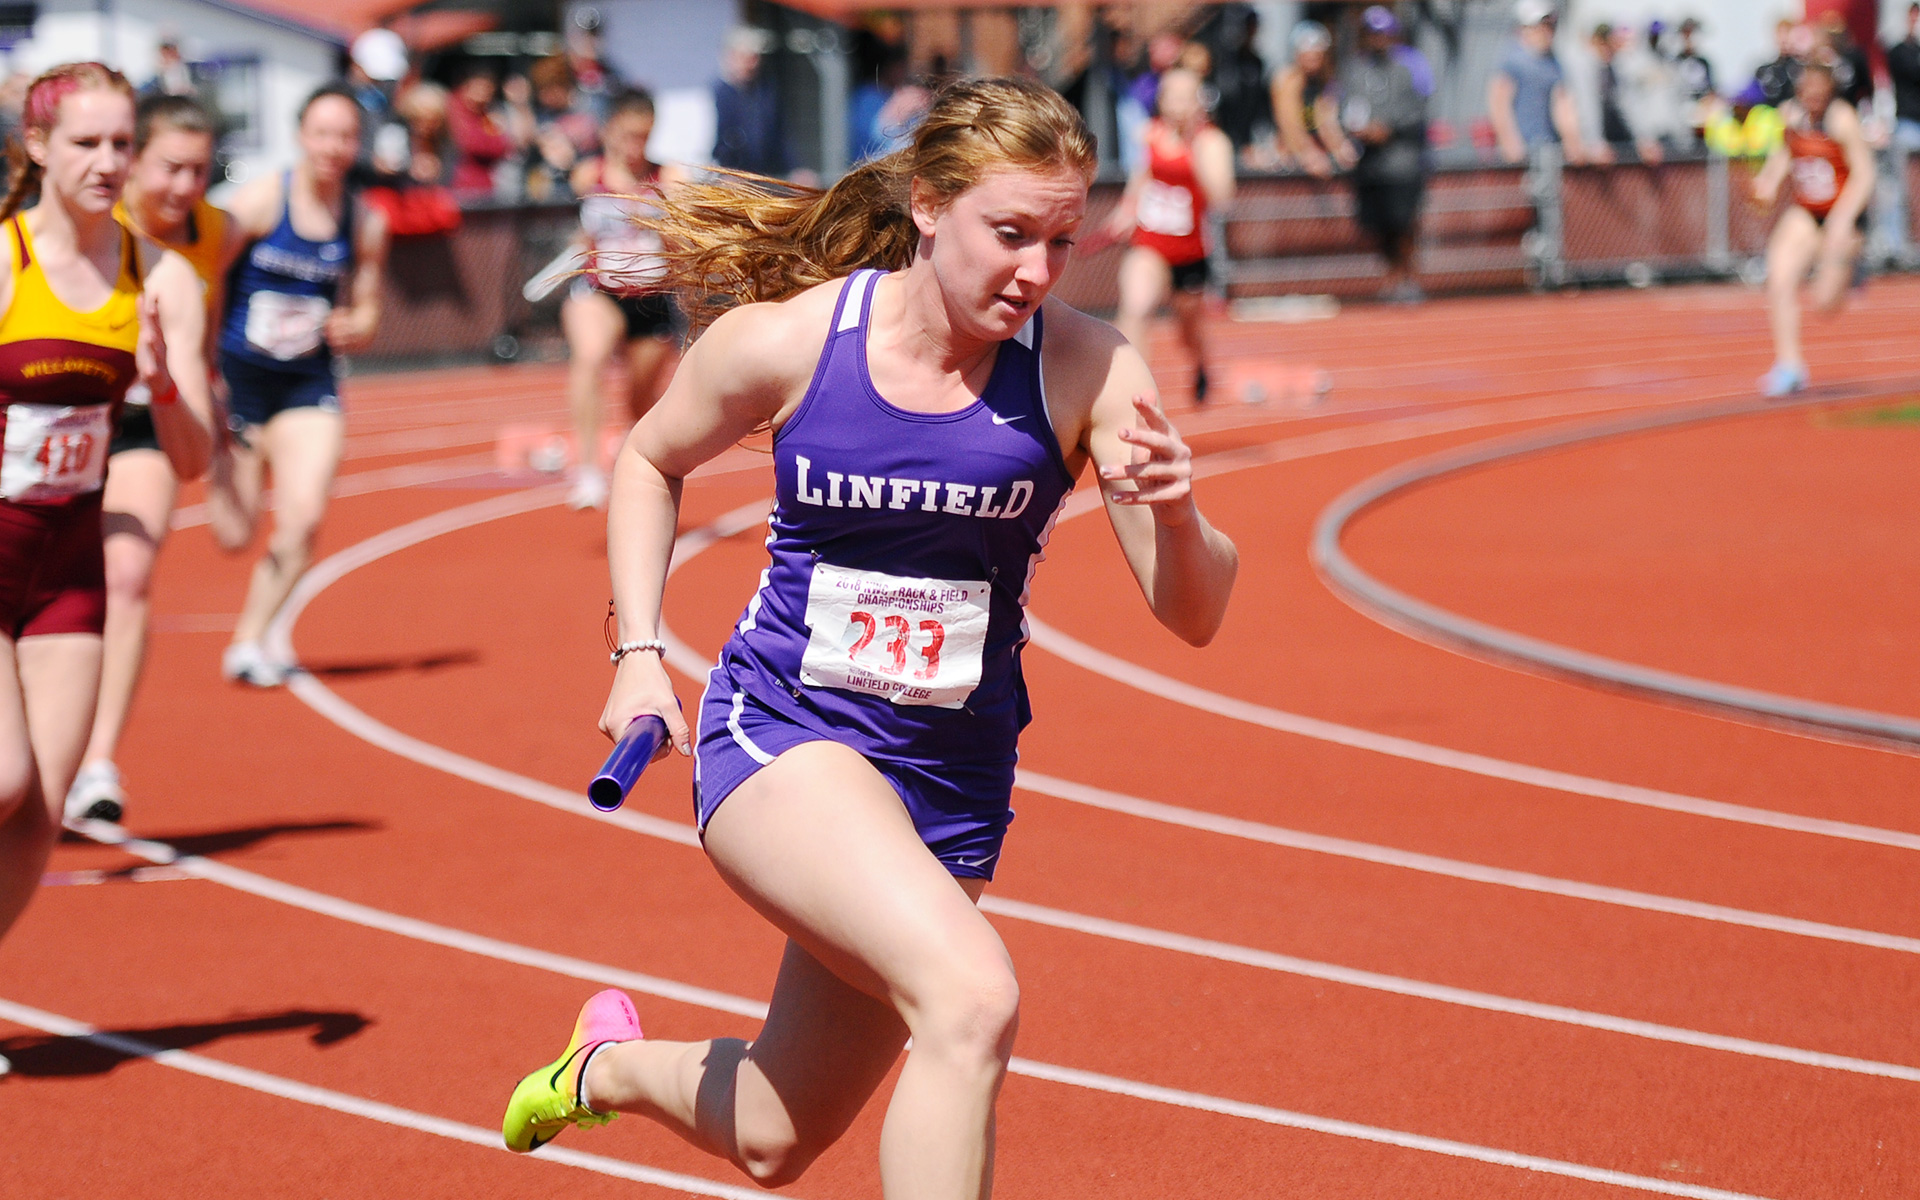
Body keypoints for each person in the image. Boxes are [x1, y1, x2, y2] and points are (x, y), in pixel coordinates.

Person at [499, 76, 1237, 1196]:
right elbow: (648, 458)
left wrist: (1179, 517)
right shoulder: (794, 341)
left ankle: (599, 1067)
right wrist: (638, 654)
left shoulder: (1086, 367)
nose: (1038, 272)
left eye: (1061, 240)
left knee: (772, 1138)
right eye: (1010, 234)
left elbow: (1194, 615)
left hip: (950, 776)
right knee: (971, 999)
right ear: (929, 207)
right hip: (786, 735)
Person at [0, 61, 215, 985]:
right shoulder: (5, 261)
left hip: (66, 569)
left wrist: (161, 384)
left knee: (39, 808)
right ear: (37, 146)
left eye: (122, 143)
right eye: (85, 142)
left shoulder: (161, 278)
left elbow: (194, 458)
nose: (107, 161)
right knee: (2, 779)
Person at [64, 93, 242, 824]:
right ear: (135, 161)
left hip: (146, 417)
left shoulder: (219, 231)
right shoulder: (91, 219)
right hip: (65, 411)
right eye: (171, 167)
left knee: (128, 573)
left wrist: (201, 392)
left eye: (200, 171)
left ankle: (96, 761)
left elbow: (215, 314)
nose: (185, 186)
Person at [206, 85, 390, 686]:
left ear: (357, 144)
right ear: (301, 136)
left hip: (307, 383)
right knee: (234, 534)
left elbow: (368, 308)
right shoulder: (259, 203)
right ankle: (224, 463)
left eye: (345, 136)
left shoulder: (365, 220)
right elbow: (206, 280)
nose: (333, 147)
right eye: (322, 133)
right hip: (240, 380)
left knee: (304, 517)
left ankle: (248, 640)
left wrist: (356, 325)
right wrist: (205, 366)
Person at [559, 89, 686, 512]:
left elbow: (683, 243)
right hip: (600, 292)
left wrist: (665, 224)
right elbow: (581, 232)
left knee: (640, 401)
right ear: (610, 130)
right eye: (629, 135)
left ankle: (633, 462)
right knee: (589, 356)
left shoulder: (669, 178)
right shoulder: (587, 175)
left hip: (651, 297)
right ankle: (588, 471)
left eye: (644, 136)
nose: (636, 146)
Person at [1104, 68, 1234, 403]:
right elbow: (1141, 179)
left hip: (1189, 252)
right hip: (1150, 244)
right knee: (1135, 308)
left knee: (1188, 331)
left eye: (1184, 98)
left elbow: (1222, 197)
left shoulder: (1212, 142)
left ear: (1198, 102)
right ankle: (1132, 396)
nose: (1176, 105)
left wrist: (1194, 150)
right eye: (1170, 97)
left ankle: (1200, 363)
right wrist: (1125, 212)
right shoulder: (1150, 134)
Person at [1750, 60, 1874, 398]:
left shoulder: (1841, 119)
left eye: (1820, 90)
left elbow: (1864, 174)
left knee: (1824, 303)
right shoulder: (1791, 115)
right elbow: (1783, 155)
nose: (1813, 96)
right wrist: (1768, 183)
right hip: (1807, 212)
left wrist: (1842, 220)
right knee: (1779, 278)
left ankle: (1851, 265)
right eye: (1808, 90)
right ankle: (1789, 366)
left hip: (1841, 213)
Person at [1343, 7, 1430, 304]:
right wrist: (1359, 129)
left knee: (1404, 223)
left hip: (1402, 162)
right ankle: (1391, 276)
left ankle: (1408, 276)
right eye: (1373, 34)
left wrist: (1388, 128)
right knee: (1379, 227)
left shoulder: (1407, 70)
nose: (1378, 40)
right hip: (1371, 165)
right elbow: (1346, 110)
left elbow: (1418, 112)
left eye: (1383, 34)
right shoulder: (1355, 72)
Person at [1488, 0, 1591, 164]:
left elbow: (1563, 106)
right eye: (1542, 25)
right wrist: (1509, 142)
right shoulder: (1512, 60)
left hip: (1548, 149)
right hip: (1521, 153)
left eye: (1551, 25)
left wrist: (1573, 141)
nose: (1548, 31)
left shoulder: (1554, 64)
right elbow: (1499, 104)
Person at [1272, 20, 1354, 178]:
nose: (1314, 62)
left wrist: (1340, 147)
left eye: (1317, 57)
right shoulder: (1288, 80)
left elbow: (1326, 122)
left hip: (1316, 152)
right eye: (1309, 57)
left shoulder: (1323, 82)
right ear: (1297, 55)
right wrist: (1308, 152)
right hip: (1291, 157)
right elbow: (1289, 124)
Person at [712, 26, 791, 179]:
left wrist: (796, 169)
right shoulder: (715, 95)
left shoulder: (766, 93)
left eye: (754, 57)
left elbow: (780, 138)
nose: (751, 64)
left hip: (763, 177)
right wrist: (724, 174)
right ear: (730, 57)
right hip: (726, 180)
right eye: (744, 57)